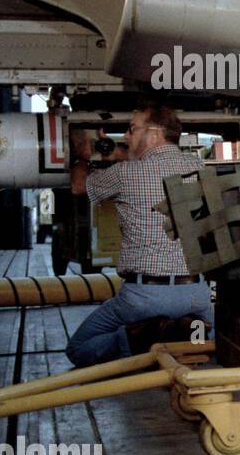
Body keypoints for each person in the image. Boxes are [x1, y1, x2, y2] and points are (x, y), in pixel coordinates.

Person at [65, 104, 214, 367]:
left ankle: (139, 338)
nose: (125, 136)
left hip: (144, 299)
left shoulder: (125, 174)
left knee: (78, 349)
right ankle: (186, 333)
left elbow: (78, 186)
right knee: (205, 342)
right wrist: (122, 155)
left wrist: (83, 158)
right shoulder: (200, 167)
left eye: (132, 129)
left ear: (154, 134)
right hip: (196, 294)